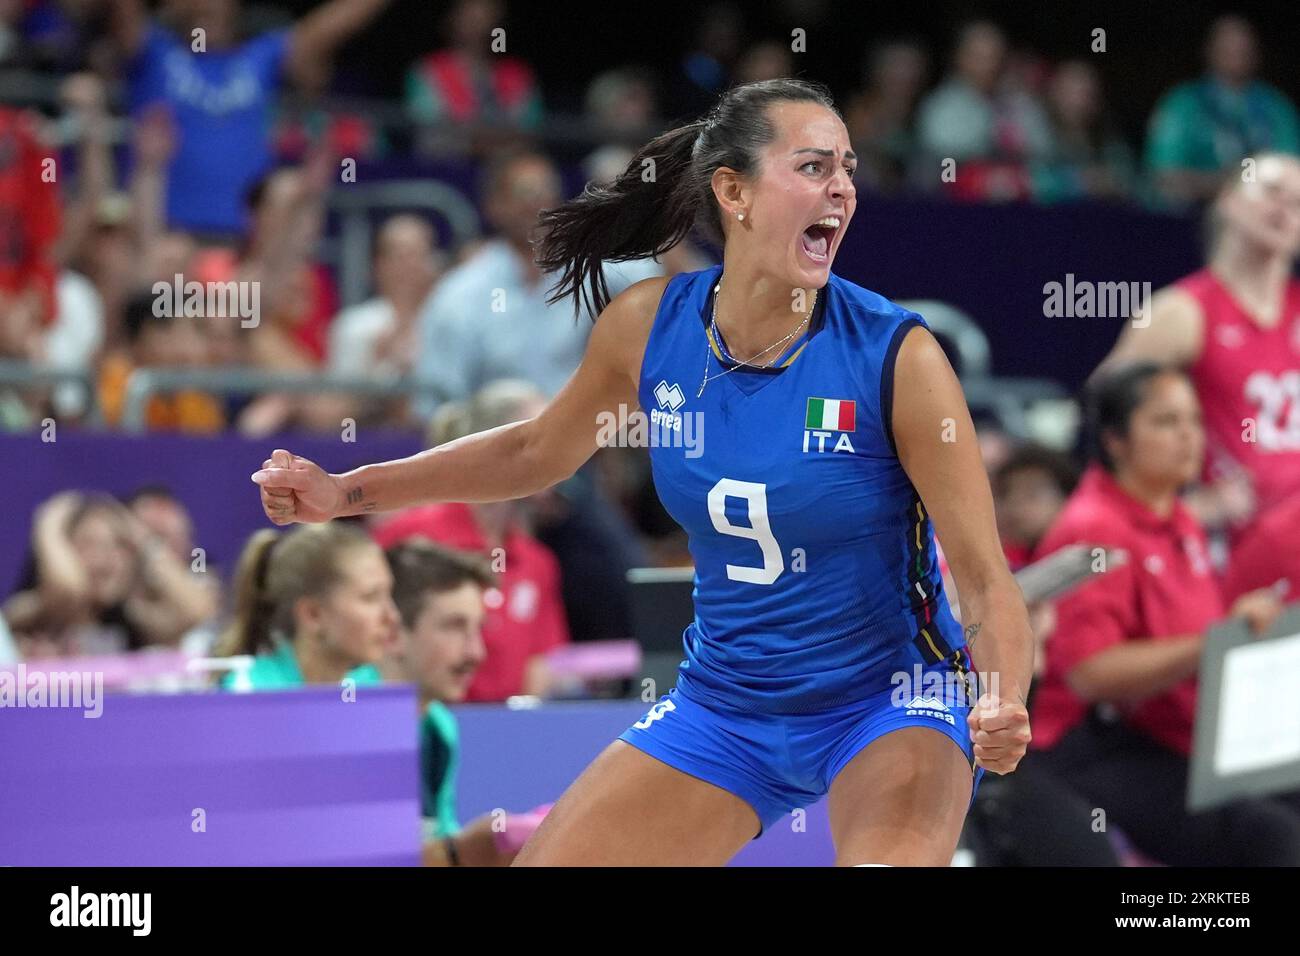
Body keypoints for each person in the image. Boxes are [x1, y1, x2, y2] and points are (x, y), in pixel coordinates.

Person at [251, 79, 1034, 867]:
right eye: (813, 166)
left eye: (849, 169)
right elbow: (533, 453)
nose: (841, 188)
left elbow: (981, 576)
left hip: (888, 698)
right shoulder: (651, 327)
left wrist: (1002, 695)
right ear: (734, 191)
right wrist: (346, 493)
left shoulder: (897, 356)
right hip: (727, 705)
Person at [1030, 363, 1300, 865]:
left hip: (1186, 735)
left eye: (1195, 421)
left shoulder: (1178, 516)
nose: (1188, 437)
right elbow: (1090, 676)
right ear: (1115, 440)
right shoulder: (1095, 530)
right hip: (1097, 745)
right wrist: (1214, 642)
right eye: (1165, 422)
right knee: (1273, 837)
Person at [1096, 153, 1300, 535]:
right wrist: (1183, 510)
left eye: (1297, 202)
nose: (1284, 209)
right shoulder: (1181, 312)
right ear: (1229, 199)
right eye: (1272, 191)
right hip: (1230, 543)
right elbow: (1103, 413)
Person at [370, 380, 571, 702]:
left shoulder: (538, 561)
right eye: (542, 439)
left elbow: (540, 664)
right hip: (423, 723)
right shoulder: (410, 535)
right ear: (500, 446)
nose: (560, 453)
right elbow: (373, 639)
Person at [383, 539, 549, 866]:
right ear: (394, 632)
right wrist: (468, 848)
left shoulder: (438, 726)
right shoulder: (351, 726)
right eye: (454, 627)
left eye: (478, 629)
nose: (476, 653)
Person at [217, 522, 397, 690]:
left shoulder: (371, 687)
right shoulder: (249, 693)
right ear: (313, 614)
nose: (392, 616)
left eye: (388, 595)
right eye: (370, 598)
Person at [1145, 15, 1300, 209]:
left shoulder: (1277, 108)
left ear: (1256, 55)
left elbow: (1293, 176)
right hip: (1192, 219)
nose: (1235, 54)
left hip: (1263, 217)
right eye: (1227, 48)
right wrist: (1228, 184)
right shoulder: (1182, 104)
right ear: (1208, 51)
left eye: (1243, 49)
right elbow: (1163, 176)